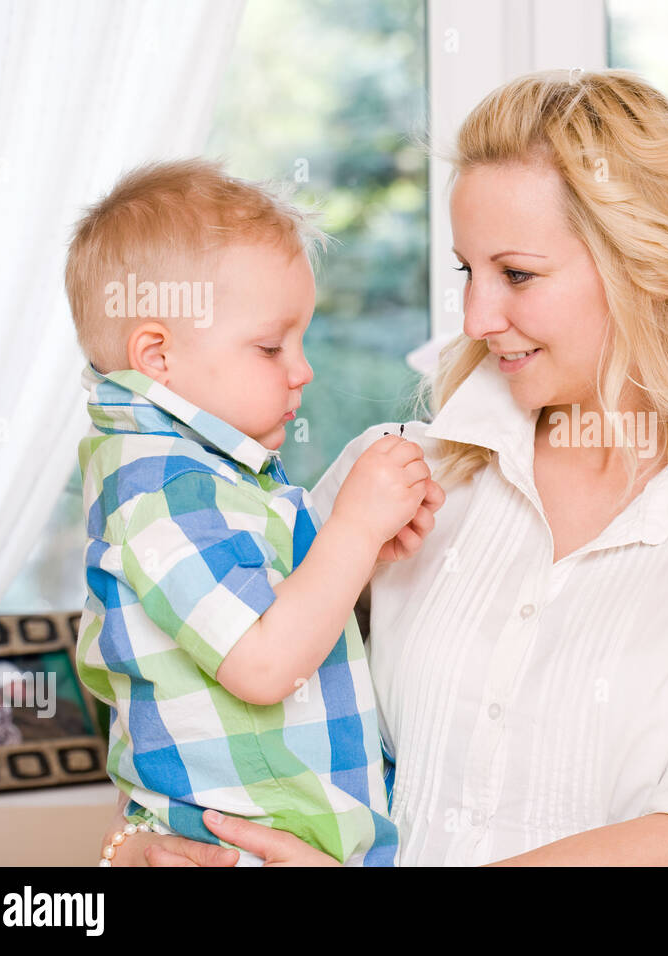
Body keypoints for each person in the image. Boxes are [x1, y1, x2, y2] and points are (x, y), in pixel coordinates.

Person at [107, 68, 668, 867]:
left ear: (645, 269)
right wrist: (133, 847)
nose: (475, 317)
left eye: (517, 275)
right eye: (468, 271)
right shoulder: (389, 476)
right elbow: (197, 680)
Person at [67, 159, 444, 866]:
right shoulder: (163, 489)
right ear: (157, 356)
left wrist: (352, 551)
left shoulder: (210, 478)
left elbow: (264, 605)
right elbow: (264, 664)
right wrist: (354, 532)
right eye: (271, 346)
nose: (302, 370)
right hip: (251, 846)